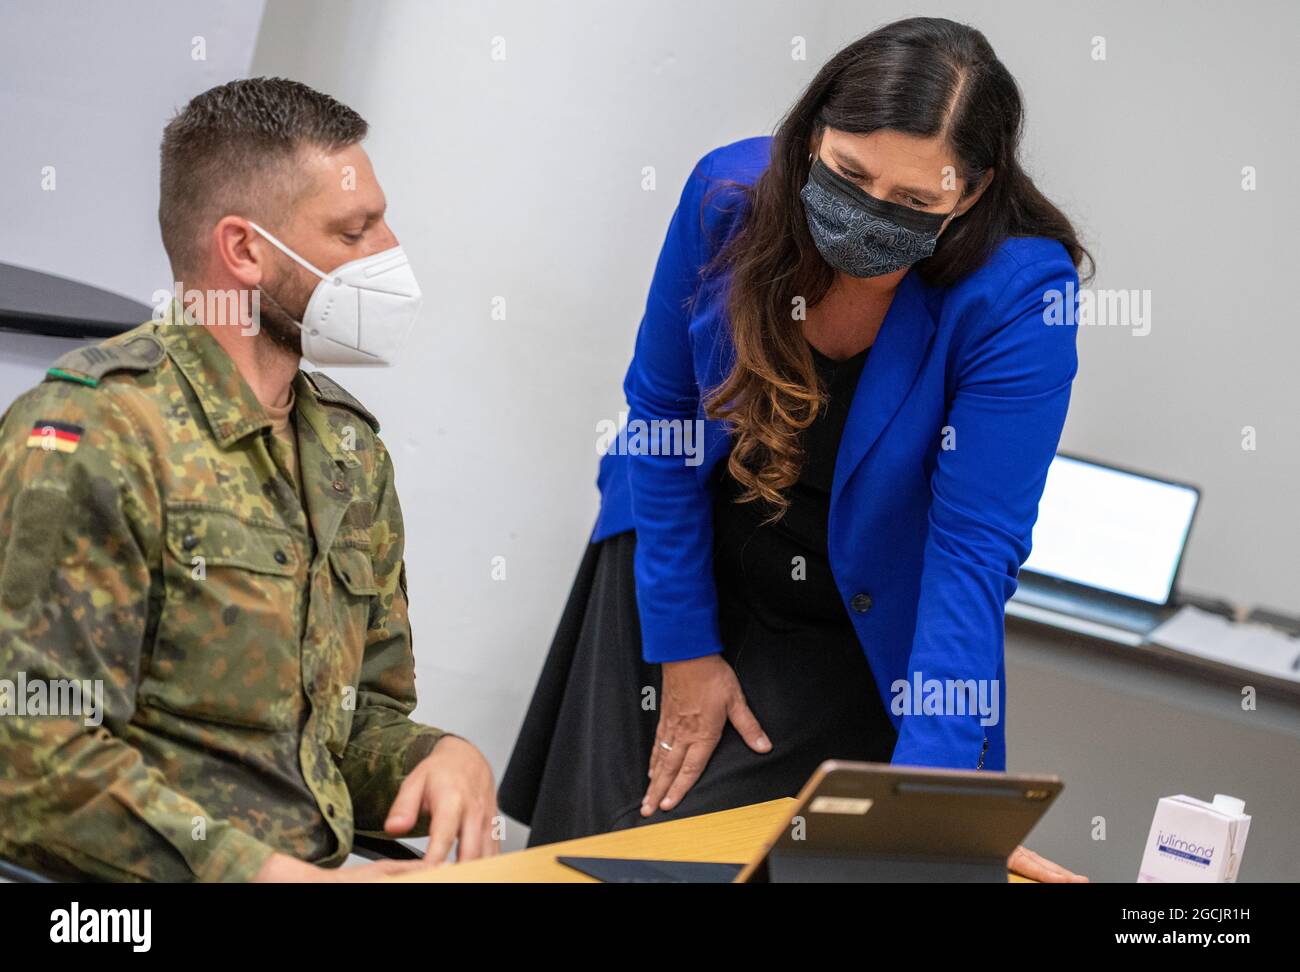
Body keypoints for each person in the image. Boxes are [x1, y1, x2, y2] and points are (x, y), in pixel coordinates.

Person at [499, 17, 1090, 882]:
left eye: (916, 201)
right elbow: (659, 420)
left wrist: (928, 808)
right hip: (680, 546)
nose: (871, 217)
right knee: (594, 852)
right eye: (851, 176)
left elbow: (971, 552)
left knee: (755, 860)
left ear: (971, 191)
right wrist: (687, 651)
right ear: (814, 133)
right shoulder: (728, 198)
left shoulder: (1020, 295)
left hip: (855, 607)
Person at [0, 78, 496, 882]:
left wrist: (437, 759)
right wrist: (266, 876)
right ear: (244, 250)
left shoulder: (347, 450)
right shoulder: (97, 435)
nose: (389, 254)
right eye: (353, 231)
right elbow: (32, 751)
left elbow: (344, 725)